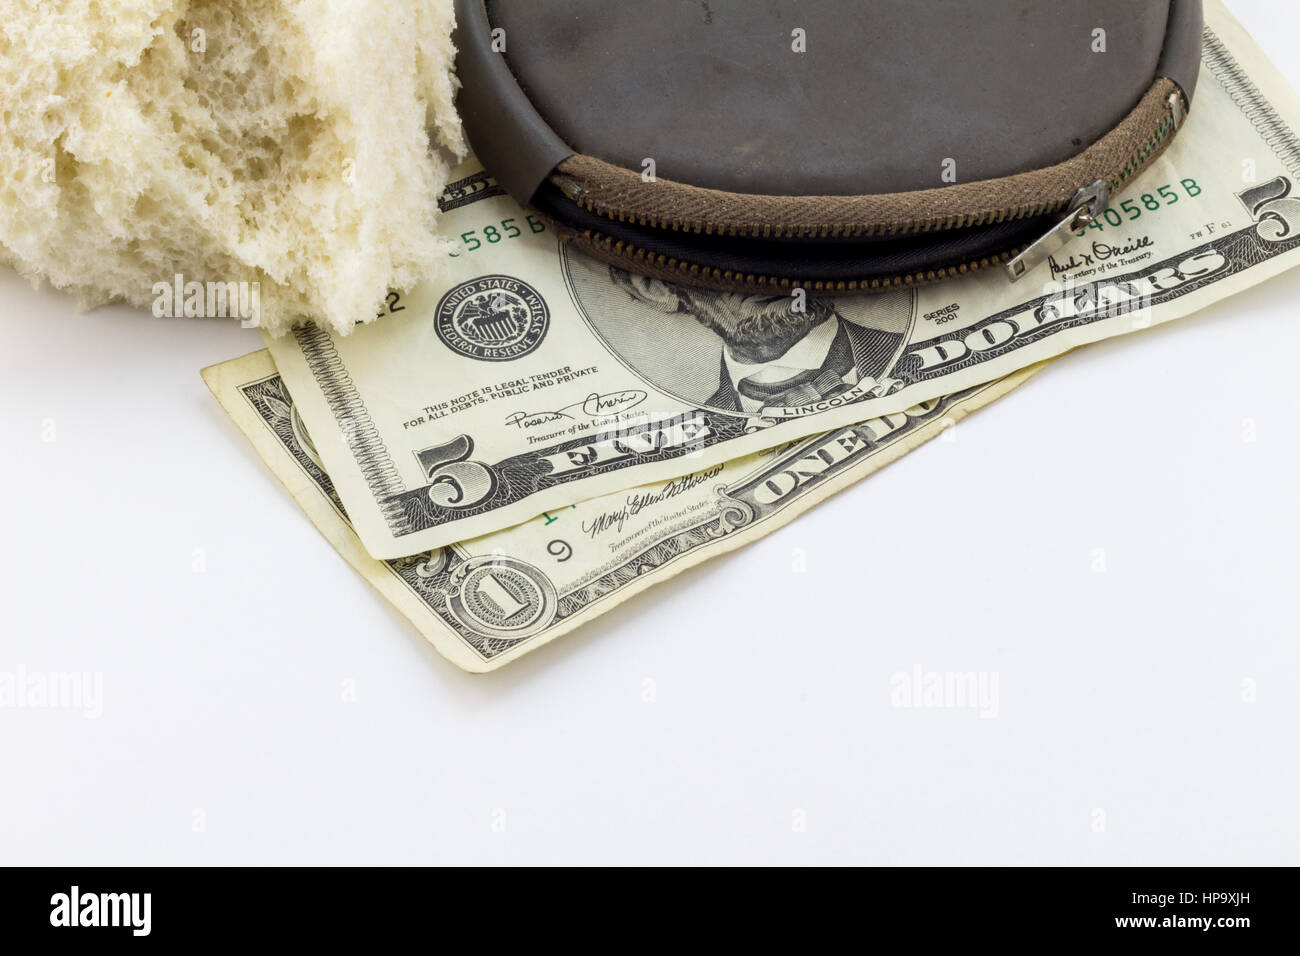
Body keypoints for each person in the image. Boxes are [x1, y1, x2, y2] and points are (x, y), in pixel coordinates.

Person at [609, 270, 909, 413]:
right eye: (722, 252)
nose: (768, 270)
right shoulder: (700, 431)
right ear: (653, 286)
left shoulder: (906, 353)